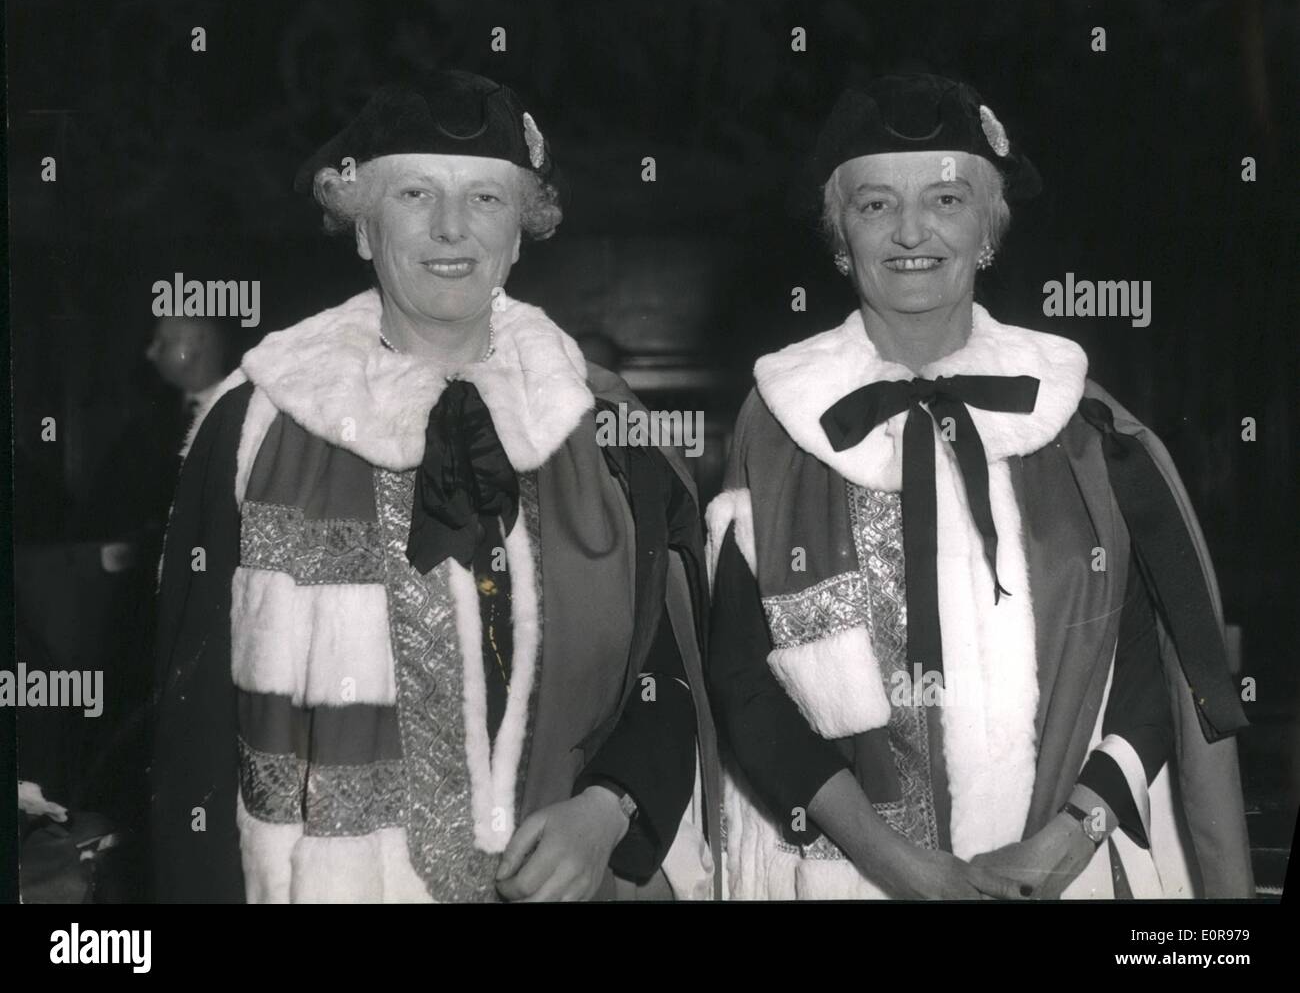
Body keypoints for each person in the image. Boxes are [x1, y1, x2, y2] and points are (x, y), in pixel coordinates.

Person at [149, 69, 720, 902]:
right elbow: (190, 731)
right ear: (362, 229)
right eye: (415, 192)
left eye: (486, 199)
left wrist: (608, 811)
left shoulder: (607, 430)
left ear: (519, 235)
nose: (452, 227)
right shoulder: (254, 429)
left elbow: (666, 673)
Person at [706, 73, 1252, 899]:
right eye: (876, 205)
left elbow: (1152, 669)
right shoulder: (776, 423)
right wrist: (898, 868)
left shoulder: (1085, 425)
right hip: (849, 880)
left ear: (988, 231)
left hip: (1069, 873)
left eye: (948, 200)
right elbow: (744, 682)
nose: (912, 232)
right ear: (840, 236)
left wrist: (1075, 836)